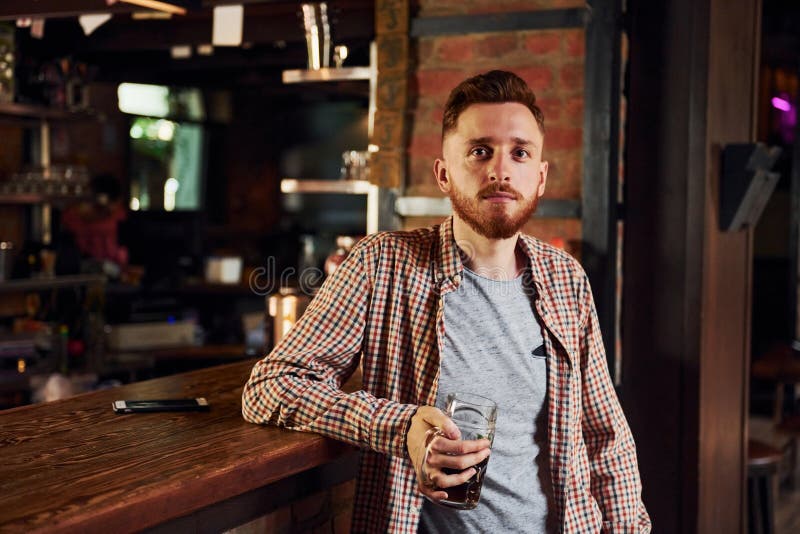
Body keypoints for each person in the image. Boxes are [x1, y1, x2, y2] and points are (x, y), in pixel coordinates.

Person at [242, 70, 651, 533]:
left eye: (520, 152)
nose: (500, 169)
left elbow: (605, 438)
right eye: (480, 151)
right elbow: (272, 386)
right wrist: (403, 427)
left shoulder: (565, 279)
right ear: (443, 173)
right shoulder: (383, 265)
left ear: (540, 178)